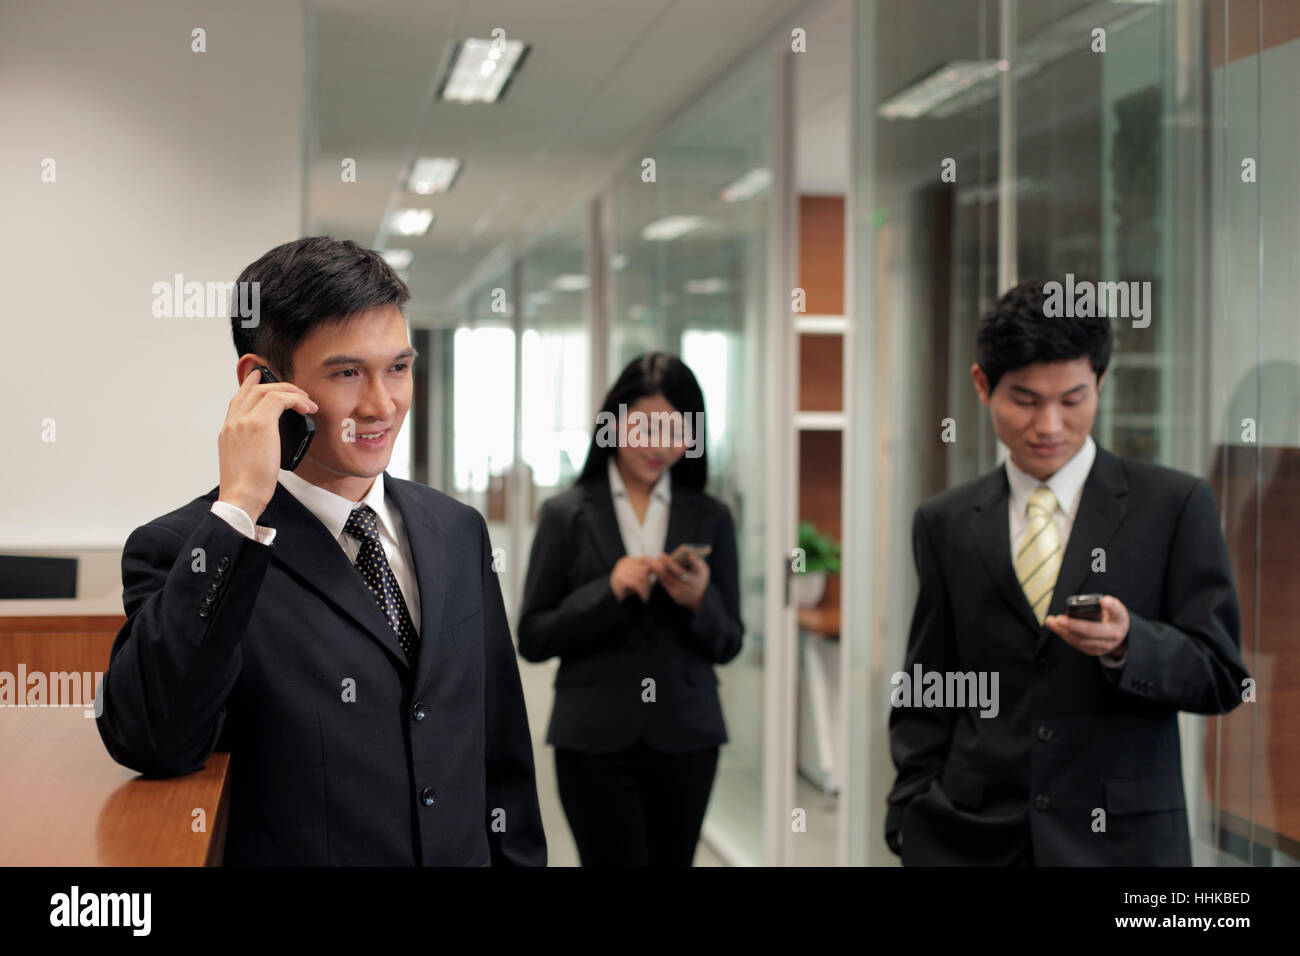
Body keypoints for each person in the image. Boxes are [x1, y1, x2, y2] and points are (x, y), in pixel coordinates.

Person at [96, 237, 545, 866]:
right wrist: (241, 506)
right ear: (261, 383)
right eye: (346, 373)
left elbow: (501, 755)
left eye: (397, 366)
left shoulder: (456, 530)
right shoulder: (190, 549)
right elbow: (152, 738)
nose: (381, 405)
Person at [885, 278, 1250, 866]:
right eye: (1025, 400)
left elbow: (1223, 675)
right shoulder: (944, 521)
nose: (1049, 425)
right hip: (971, 840)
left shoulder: (1174, 505)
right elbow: (929, 684)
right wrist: (909, 814)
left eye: (1073, 399)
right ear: (983, 385)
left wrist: (1130, 645)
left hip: (1123, 850)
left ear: (1101, 383)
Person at [518, 352, 743, 866]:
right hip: (592, 740)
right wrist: (608, 590)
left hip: (687, 739)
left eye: (675, 429)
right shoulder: (565, 515)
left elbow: (729, 641)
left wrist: (697, 601)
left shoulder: (710, 515)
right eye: (643, 426)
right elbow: (532, 637)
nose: (658, 445)